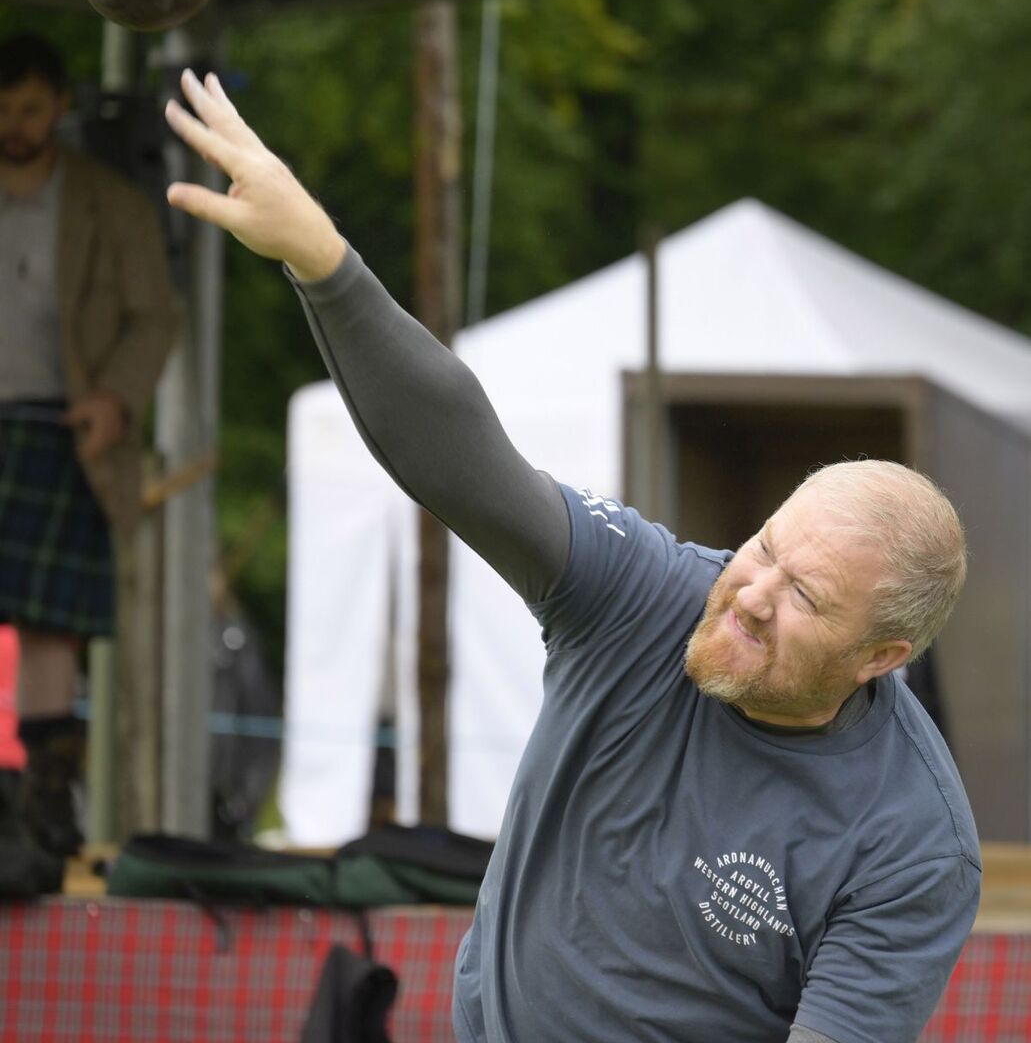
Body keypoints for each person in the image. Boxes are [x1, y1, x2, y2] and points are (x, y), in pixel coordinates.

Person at [164, 69, 980, 1043]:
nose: (750, 593)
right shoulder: (647, 598)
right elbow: (466, 464)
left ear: (879, 656)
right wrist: (320, 261)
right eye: (762, 547)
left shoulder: (909, 840)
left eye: (802, 593)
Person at [0, 34, 178, 860]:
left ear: (61, 105)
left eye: (29, 108)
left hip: (61, 431)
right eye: (2, 110)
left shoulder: (111, 204)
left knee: (49, 632)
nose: (14, 125)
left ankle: (42, 814)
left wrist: (115, 398)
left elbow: (156, 318)